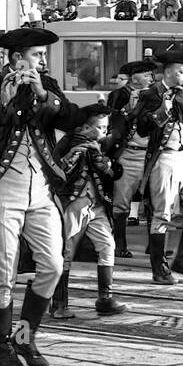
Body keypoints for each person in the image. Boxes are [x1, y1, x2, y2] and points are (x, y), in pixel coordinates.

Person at [0, 27, 76, 366]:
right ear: (17, 58)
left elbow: (72, 119)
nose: (42, 61)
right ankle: (2, 353)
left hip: (40, 190)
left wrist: (44, 95)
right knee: (4, 275)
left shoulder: (47, 87)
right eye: (37, 56)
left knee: (53, 266)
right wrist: (2, 102)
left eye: (43, 56)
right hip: (1, 191)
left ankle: (25, 336)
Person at [135, 42, 183, 285]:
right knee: (162, 214)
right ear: (167, 72)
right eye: (181, 72)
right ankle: (159, 267)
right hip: (165, 157)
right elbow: (142, 127)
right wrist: (163, 109)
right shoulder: (150, 94)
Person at [50, 102, 126, 319]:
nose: (105, 132)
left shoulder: (97, 146)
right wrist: (74, 154)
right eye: (101, 128)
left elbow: (110, 173)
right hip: (74, 203)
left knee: (107, 245)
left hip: (96, 203)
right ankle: (59, 303)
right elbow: (57, 171)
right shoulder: (69, 143)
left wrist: (104, 161)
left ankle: (105, 298)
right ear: (83, 128)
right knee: (66, 249)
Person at [107, 61, 154, 258]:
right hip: (128, 153)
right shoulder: (119, 95)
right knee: (121, 202)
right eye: (147, 75)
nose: (151, 79)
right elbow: (115, 120)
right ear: (135, 78)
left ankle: (155, 246)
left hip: (151, 153)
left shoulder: (155, 95)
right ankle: (119, 244)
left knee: (154, 200)